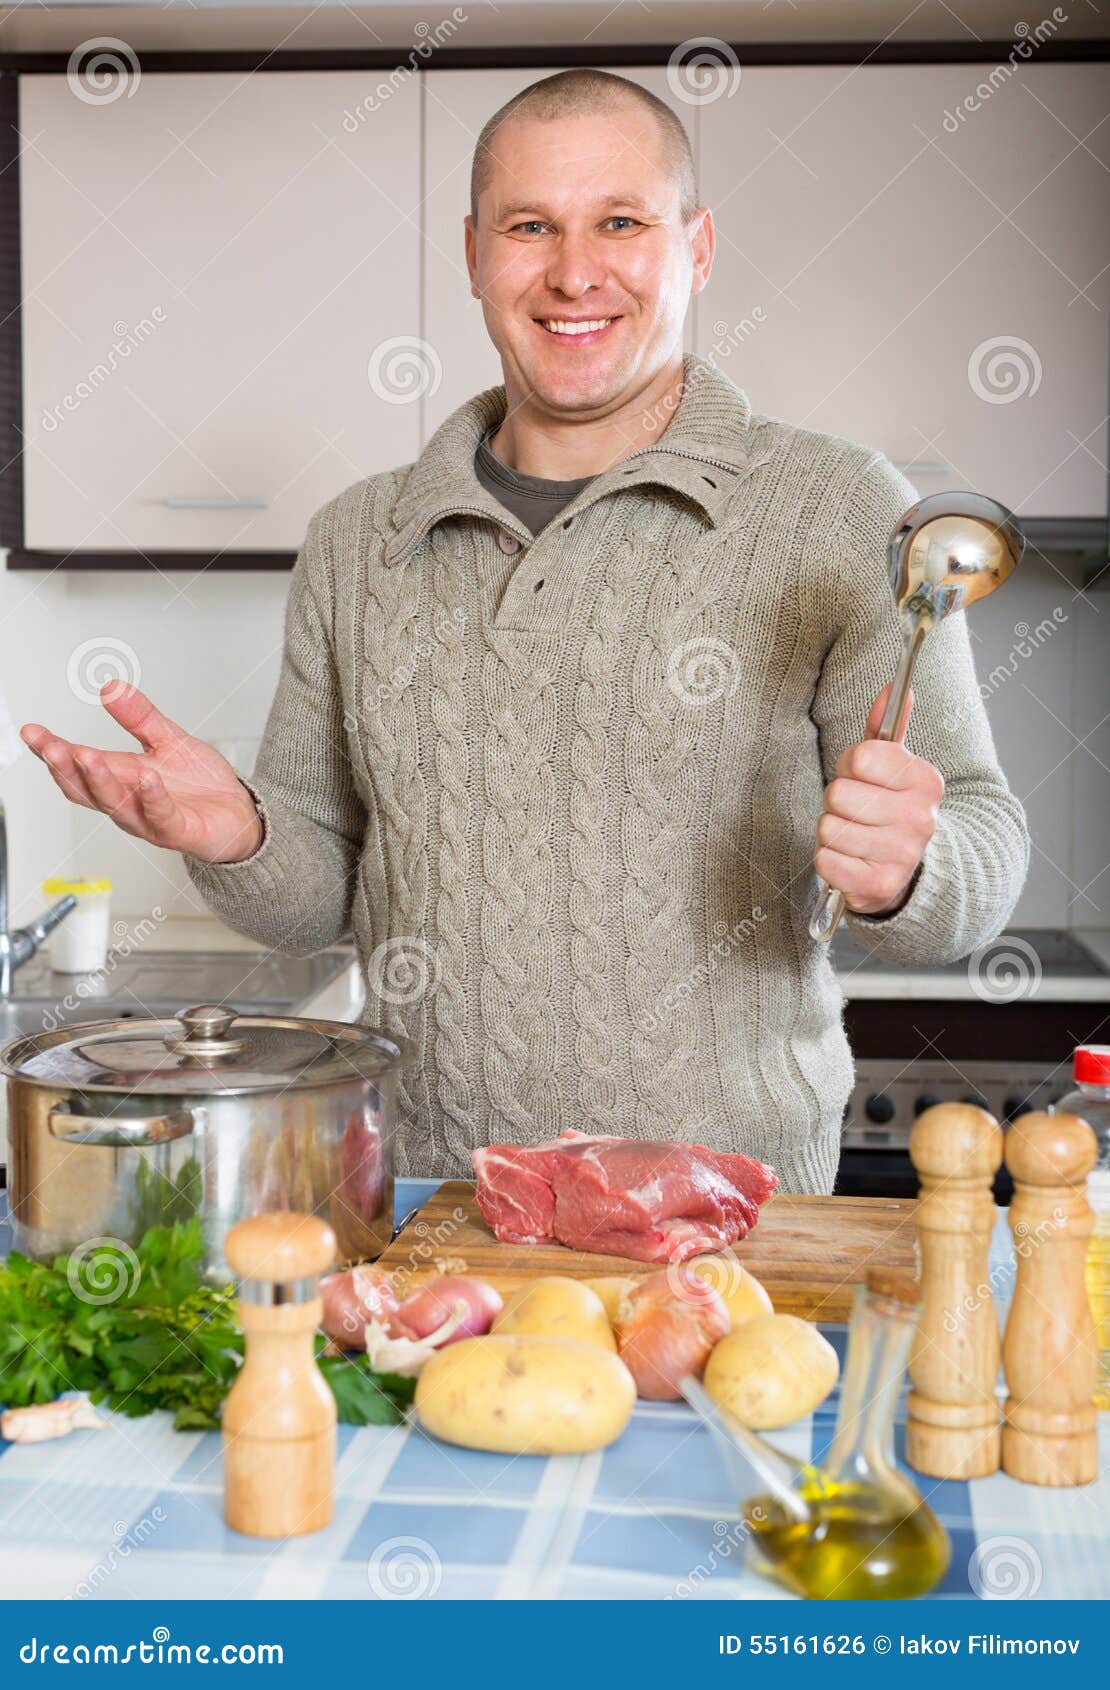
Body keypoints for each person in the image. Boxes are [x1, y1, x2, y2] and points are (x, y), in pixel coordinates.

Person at [20, 70, 1028, 1191]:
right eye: (530, 225)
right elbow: (318, 902)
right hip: (432, 1201)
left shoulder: (836, 509)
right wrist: (240, 835)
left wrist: (910, 870)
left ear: (695, 248)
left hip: (730, 1216)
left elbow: (980, 840)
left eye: (621, 222)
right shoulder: (361, 540)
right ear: (472, 255)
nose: (574, 271)